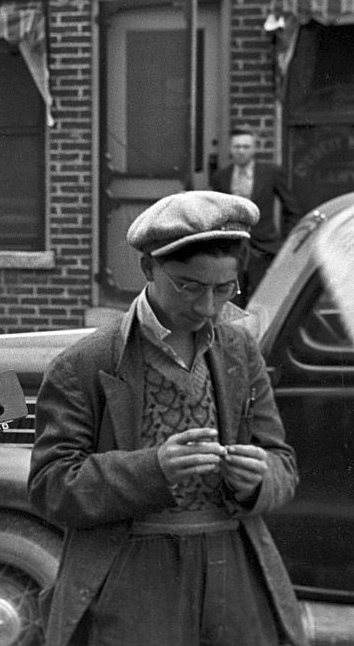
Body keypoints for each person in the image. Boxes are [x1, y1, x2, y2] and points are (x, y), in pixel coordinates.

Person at [28, 190, 306, 646]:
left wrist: (258, 477)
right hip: (132, 575)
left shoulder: (240, 352)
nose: (207, 307)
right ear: (148, 268)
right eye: (189, 286)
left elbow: (283, 463)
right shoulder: (86, 363)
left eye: (224, 288)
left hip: (233, 567)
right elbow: (51, 487)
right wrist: (152, 469)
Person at [210, 126, 301, 302]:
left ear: (254, 149)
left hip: (264, 248)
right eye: (237, 147)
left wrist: (286, 243)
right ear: (230, 149)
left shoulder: (270, 173)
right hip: (232, 250)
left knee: (264, 301)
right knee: (233, 300)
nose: (241, 151)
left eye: (246, 147)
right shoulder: (221, 177)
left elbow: (292, 209)